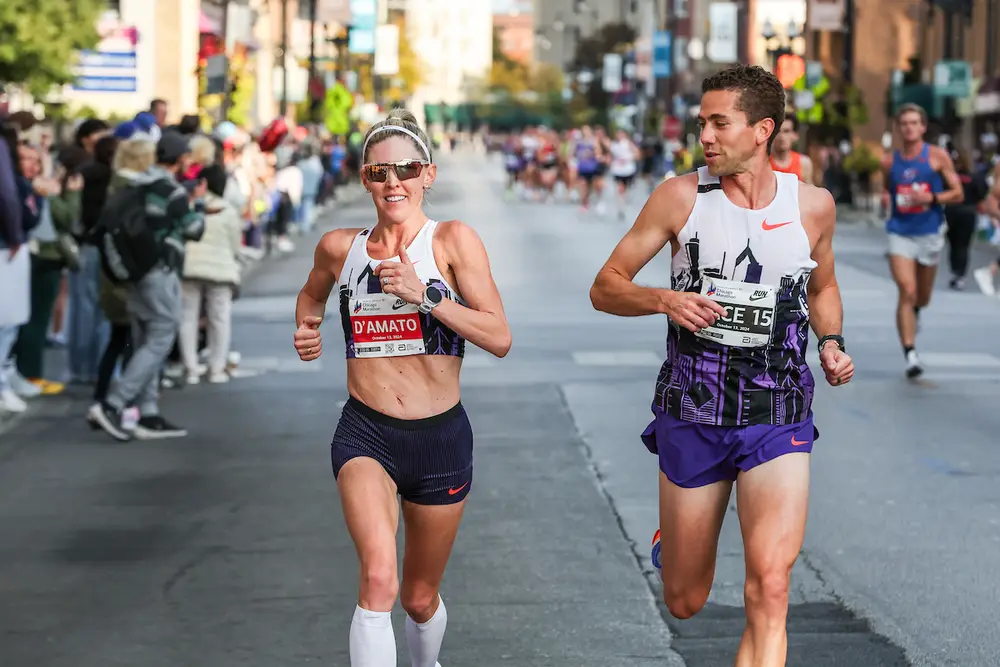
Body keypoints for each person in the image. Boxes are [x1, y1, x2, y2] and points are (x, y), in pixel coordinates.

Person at [590, 65, 853, 667]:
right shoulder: (680, 197)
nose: (704, 135)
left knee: (772, 586)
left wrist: (831, 341)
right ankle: (676, 543)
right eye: (701, 122)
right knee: (685, 598)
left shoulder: (812, 206)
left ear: (762, 129)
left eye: (719, 123)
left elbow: (823, 287)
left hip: (778, 412)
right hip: (694, 410)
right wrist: (665, 298)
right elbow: (605, 287)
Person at [292, 108, 511, 667]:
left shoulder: (452, 242)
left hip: (440, 438)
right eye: (378, 173)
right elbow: (312, 294)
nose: (393, 183)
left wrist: (427, 296)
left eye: (406, 170)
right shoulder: (341, 248)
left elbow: (499, 336)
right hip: (366, 432)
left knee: (416, 598)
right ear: (364, 178)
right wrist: (307, 327)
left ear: (428, 175)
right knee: (379, 577)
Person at [89, 132, 207, 441]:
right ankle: (113, 404)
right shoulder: (171, 189)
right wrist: (199, 206)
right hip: (161, 270)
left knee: (144, 339)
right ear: (180, 159)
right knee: (161, 335)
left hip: (137, 271)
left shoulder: (141, 185)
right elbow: (193, 229)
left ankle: (148, 412)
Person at [881, 104, 963, 378]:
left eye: (914, 122)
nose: (909, 128)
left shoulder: (936, 157)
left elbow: (958, 193)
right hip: (899, 232)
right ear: (898, 127)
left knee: (922, 297)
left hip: (929, 233)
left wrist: (932, 198)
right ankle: (911, 354)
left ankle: (916, 310)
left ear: (923, 127)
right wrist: (886, 200)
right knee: (907, 289)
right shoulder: (889, 161)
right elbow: (887, 189)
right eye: (904, 123)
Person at [769, 117, 813, 183]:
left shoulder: (803, 163)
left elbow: (809, 191)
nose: (781, 136)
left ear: (795, 135)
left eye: (786, 131)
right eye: (777, 131)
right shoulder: (763, 162)